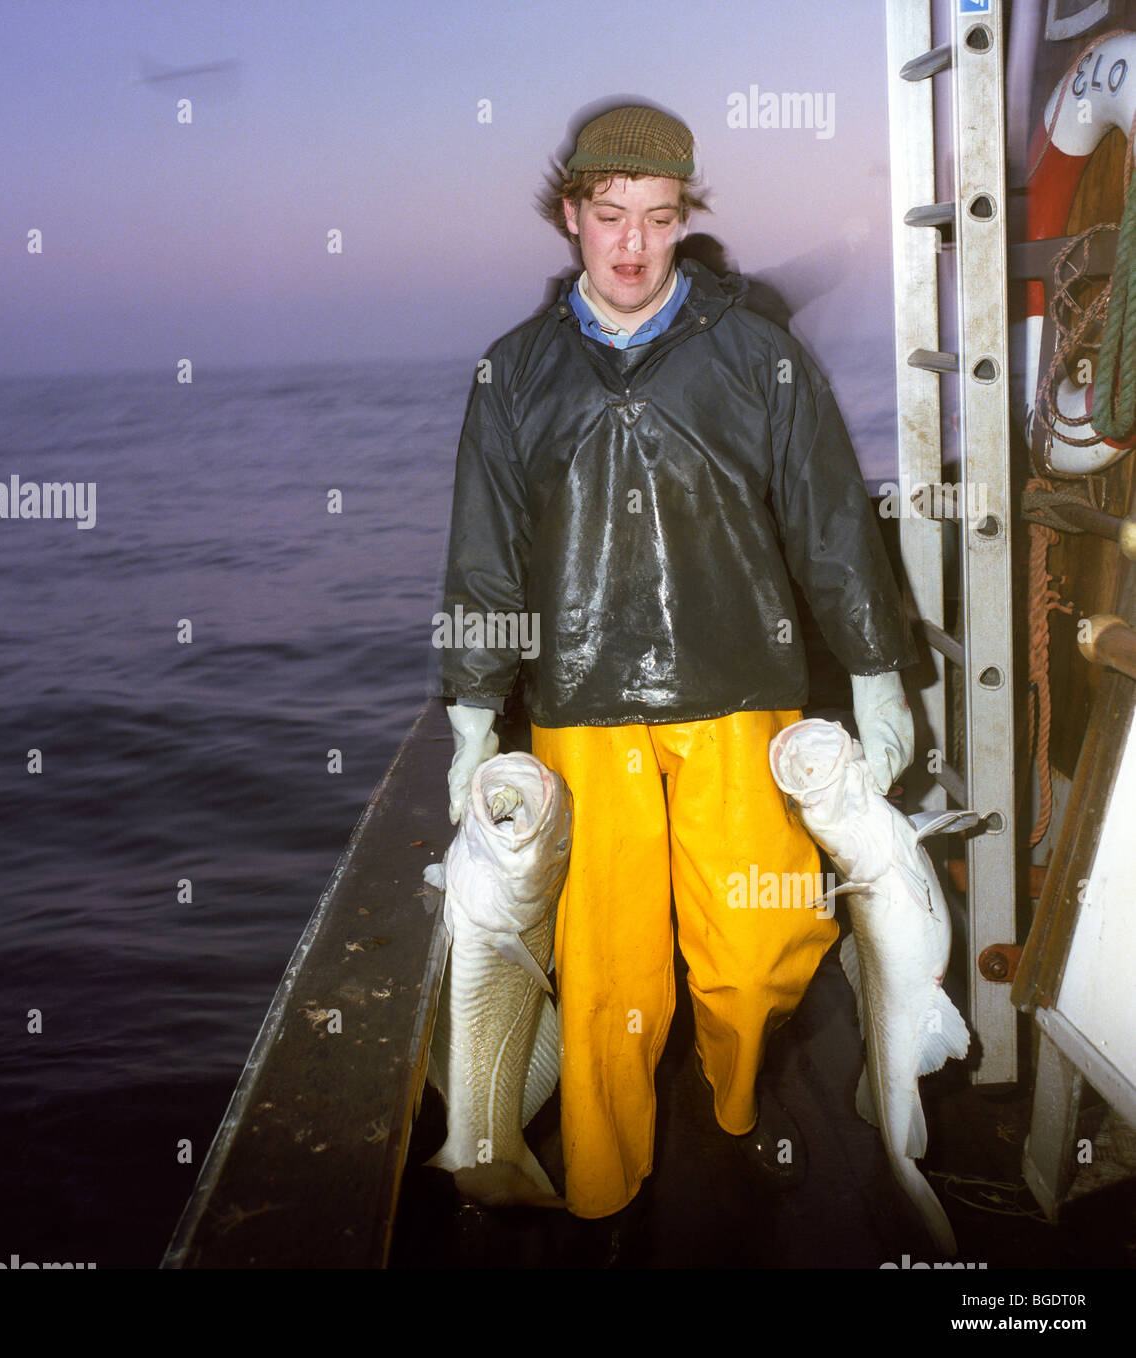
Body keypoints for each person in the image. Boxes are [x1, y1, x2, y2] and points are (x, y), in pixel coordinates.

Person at [438, 103, 916, 1221]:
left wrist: (880, 669)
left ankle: (736, 1099)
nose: (633, 244)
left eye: (657, 218)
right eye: (609, 216)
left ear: (682, 220)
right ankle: (604, 1195)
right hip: (581, 709)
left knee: (759, 947)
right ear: (571, 216)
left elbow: (832, 526)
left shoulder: (760, 356)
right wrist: (471, 715)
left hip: (742, 690)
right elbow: (483, 557)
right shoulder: (511, 374)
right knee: (612, 980)